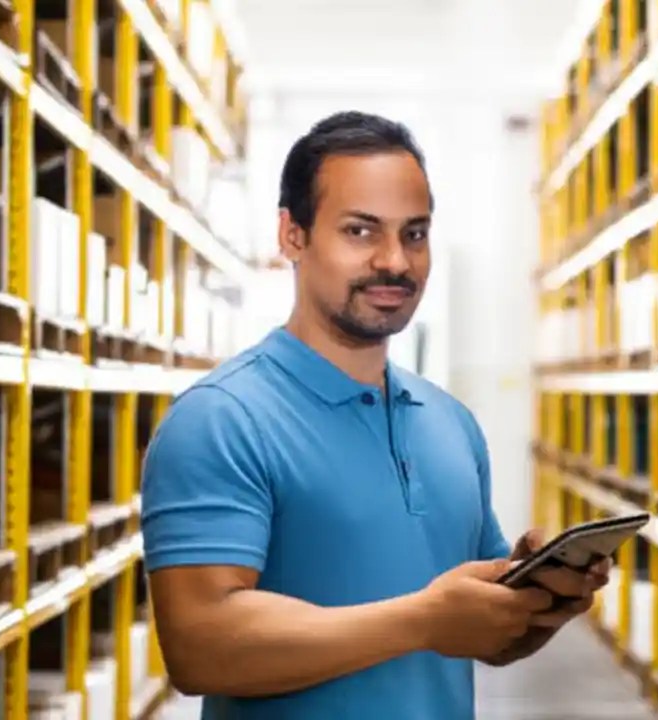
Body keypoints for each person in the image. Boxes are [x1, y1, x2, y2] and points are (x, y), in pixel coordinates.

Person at [140, 110, 610, 720]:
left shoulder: (450, 424)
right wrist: (422, 620)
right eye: (361, 232)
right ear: (293, 235)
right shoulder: (220, 420)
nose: (395, 261)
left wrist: (541, 600)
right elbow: (199, 649)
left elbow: (482, 637)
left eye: (414, 234)